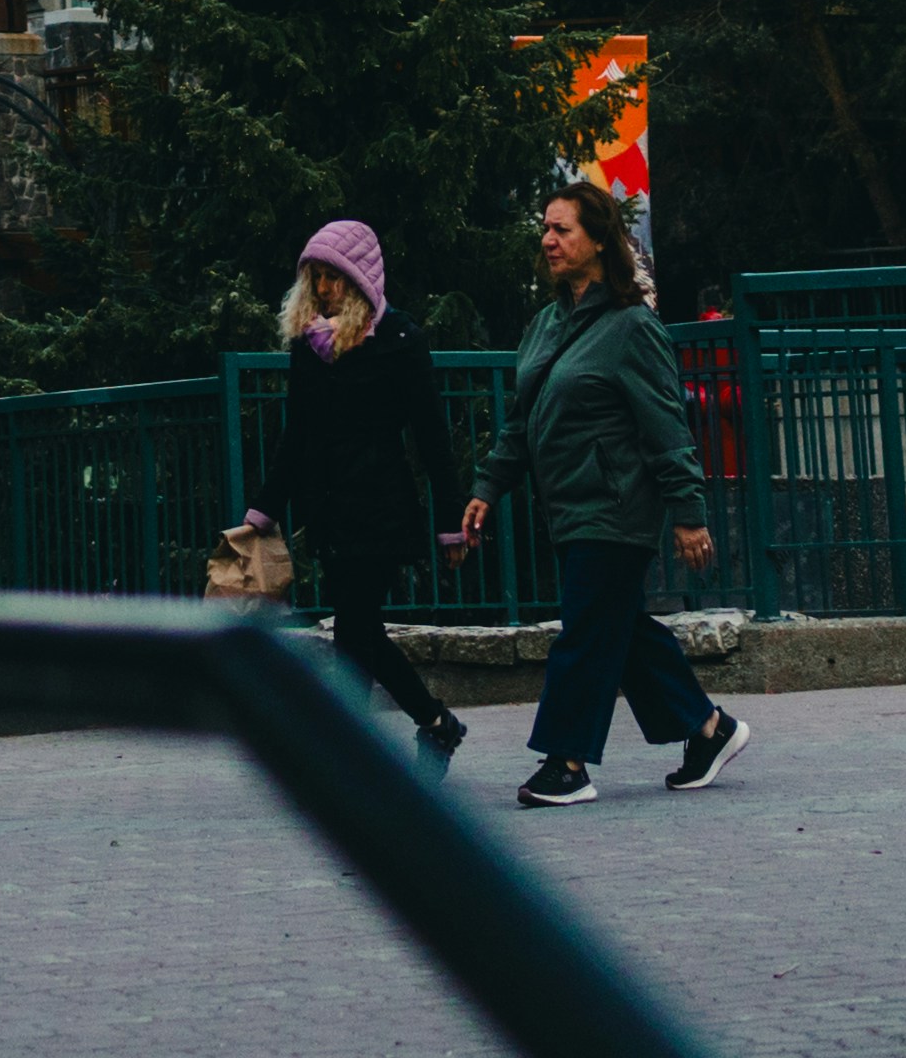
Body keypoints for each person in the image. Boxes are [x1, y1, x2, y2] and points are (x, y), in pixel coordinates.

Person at [499, 184, 740, 809]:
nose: (548, 241)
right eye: (545, 230)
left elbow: (667, 428)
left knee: (583, 631)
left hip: (616, 507)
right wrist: (486, 486)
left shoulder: (633, 327)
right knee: (618, 627)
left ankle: (568, 762)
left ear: (600, 241)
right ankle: (709, 730)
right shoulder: (547, 324)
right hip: (569, 507)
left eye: (563, 230)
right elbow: (520, 420)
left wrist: (688, 515)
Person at [236, 217, 480, 769]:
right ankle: (435, 723)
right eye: (316, 279)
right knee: (360, 628)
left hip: (382, 507)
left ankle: (351, 747)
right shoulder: (310, 347)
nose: (323, 291)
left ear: (361, 278)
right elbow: (295, 437)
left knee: (354, 627)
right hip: (331, 509)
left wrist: (450, 523)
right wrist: (264, 511)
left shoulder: (400, 340)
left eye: (333, 278)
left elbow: (432, 440)